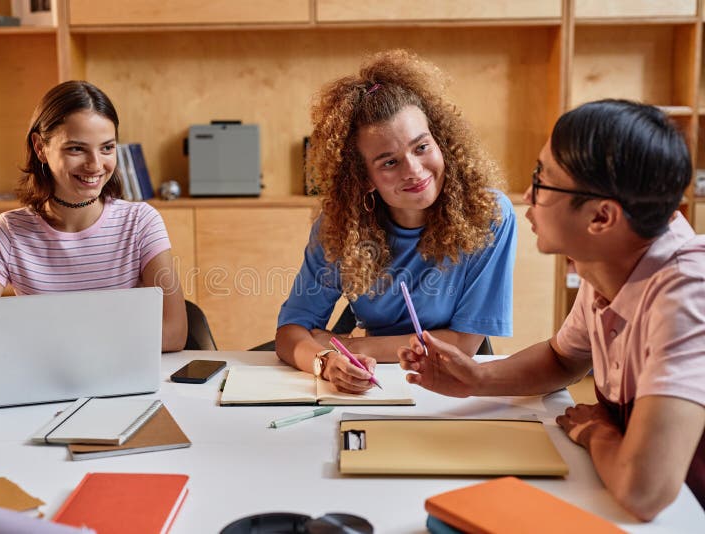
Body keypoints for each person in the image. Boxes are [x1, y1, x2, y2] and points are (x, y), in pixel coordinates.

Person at [399, 99, 705, 520]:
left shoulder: (689, 295)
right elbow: (564, 358)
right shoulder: (613, 259)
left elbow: (644, 491)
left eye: (543, 180)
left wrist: (596, 431)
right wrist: (476, 378)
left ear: (601, 217)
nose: (528, 195)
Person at [276, 50, 517, 394]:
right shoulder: (341, 226)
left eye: (421, 147)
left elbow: (463, 344)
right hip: (378, 383)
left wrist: (351, 346)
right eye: (389, 162)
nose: (414, 171)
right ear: (365, 177)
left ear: (441, 142)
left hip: (453, 385)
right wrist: (327, 361)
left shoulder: (490, 214)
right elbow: (291, 333)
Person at [0, 81, 187, 367]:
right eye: (76, 149)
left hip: (118, 381)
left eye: (107, 148)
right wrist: (35, 359)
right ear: (40, 147)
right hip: (46, 384)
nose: (95, 165)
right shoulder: (10, 233)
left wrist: (64, 352)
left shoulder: (141, 223)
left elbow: (174, 331)